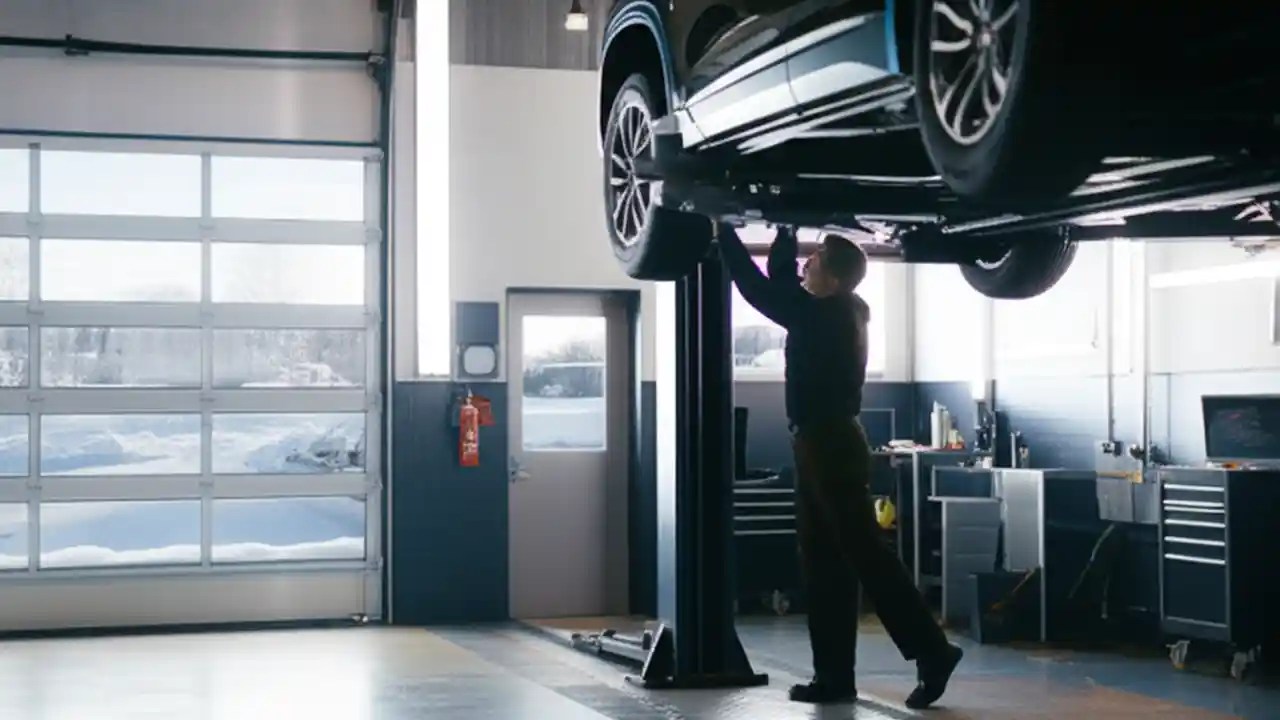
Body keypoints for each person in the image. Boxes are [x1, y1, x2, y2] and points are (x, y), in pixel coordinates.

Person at [719, 224, 963, 709]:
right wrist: (784, 231)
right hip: (819, 442)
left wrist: (723, 231)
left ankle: (933, 651)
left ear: (832, 277)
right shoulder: (832, 310)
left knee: (861, 551)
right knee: (824, 562)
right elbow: (780, 280)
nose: (806, 264)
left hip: (828, 443)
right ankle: (834, 677)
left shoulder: (824, 315)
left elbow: (759, 288)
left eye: (815, 259)